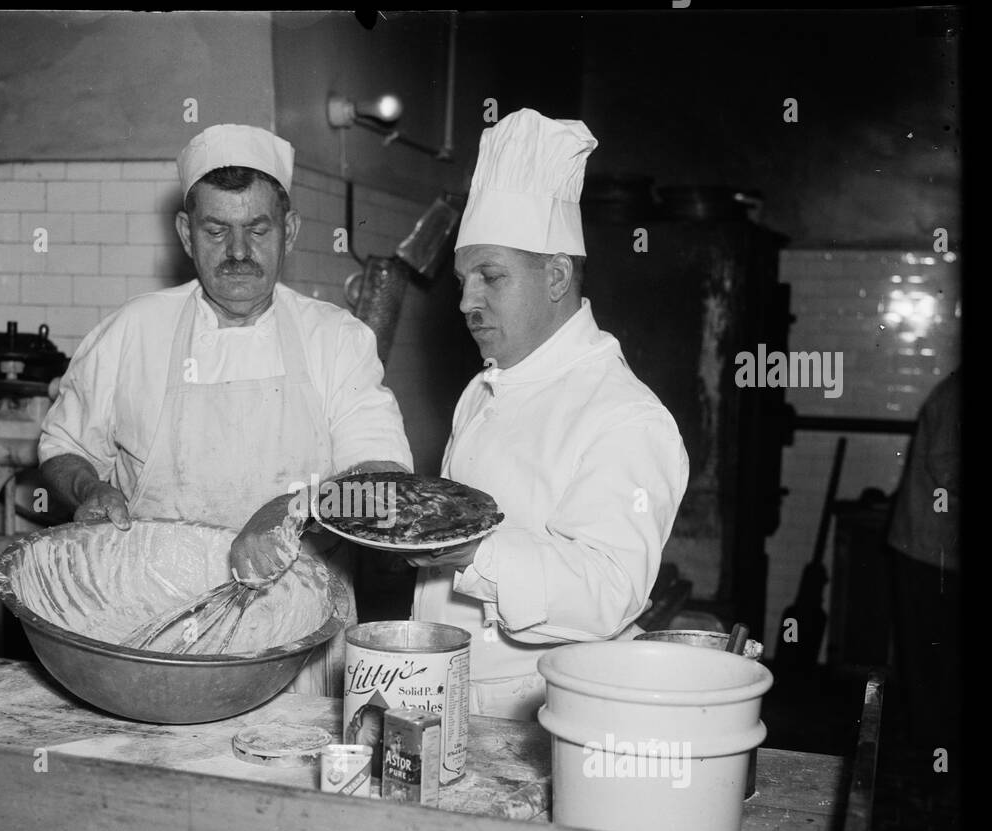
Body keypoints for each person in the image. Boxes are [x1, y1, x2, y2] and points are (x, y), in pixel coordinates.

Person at [39, 124, 413, 693]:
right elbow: (63, 446)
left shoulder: (336, 340)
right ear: (186, 234)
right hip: (156, 634)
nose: (238, 252)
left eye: (257, 229)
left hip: (303, 645)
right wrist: (87, 490)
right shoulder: (132, 331)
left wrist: (290, 509)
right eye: (217, 231)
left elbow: (382, 482)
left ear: (289, 231)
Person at [409, 109, 690, 720]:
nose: (466, 302)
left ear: (557, 274)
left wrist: (473, 552)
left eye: (490, 277)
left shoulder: (626, 417)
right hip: (451, 694)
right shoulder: (485, 390)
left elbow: (608, 592)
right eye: (462, 280)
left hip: (539, 714)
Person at [886, 369, 961, 757]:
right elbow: (948, 467)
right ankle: (933, 757)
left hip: (937, 550)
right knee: (931, 661)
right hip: (927, 550)